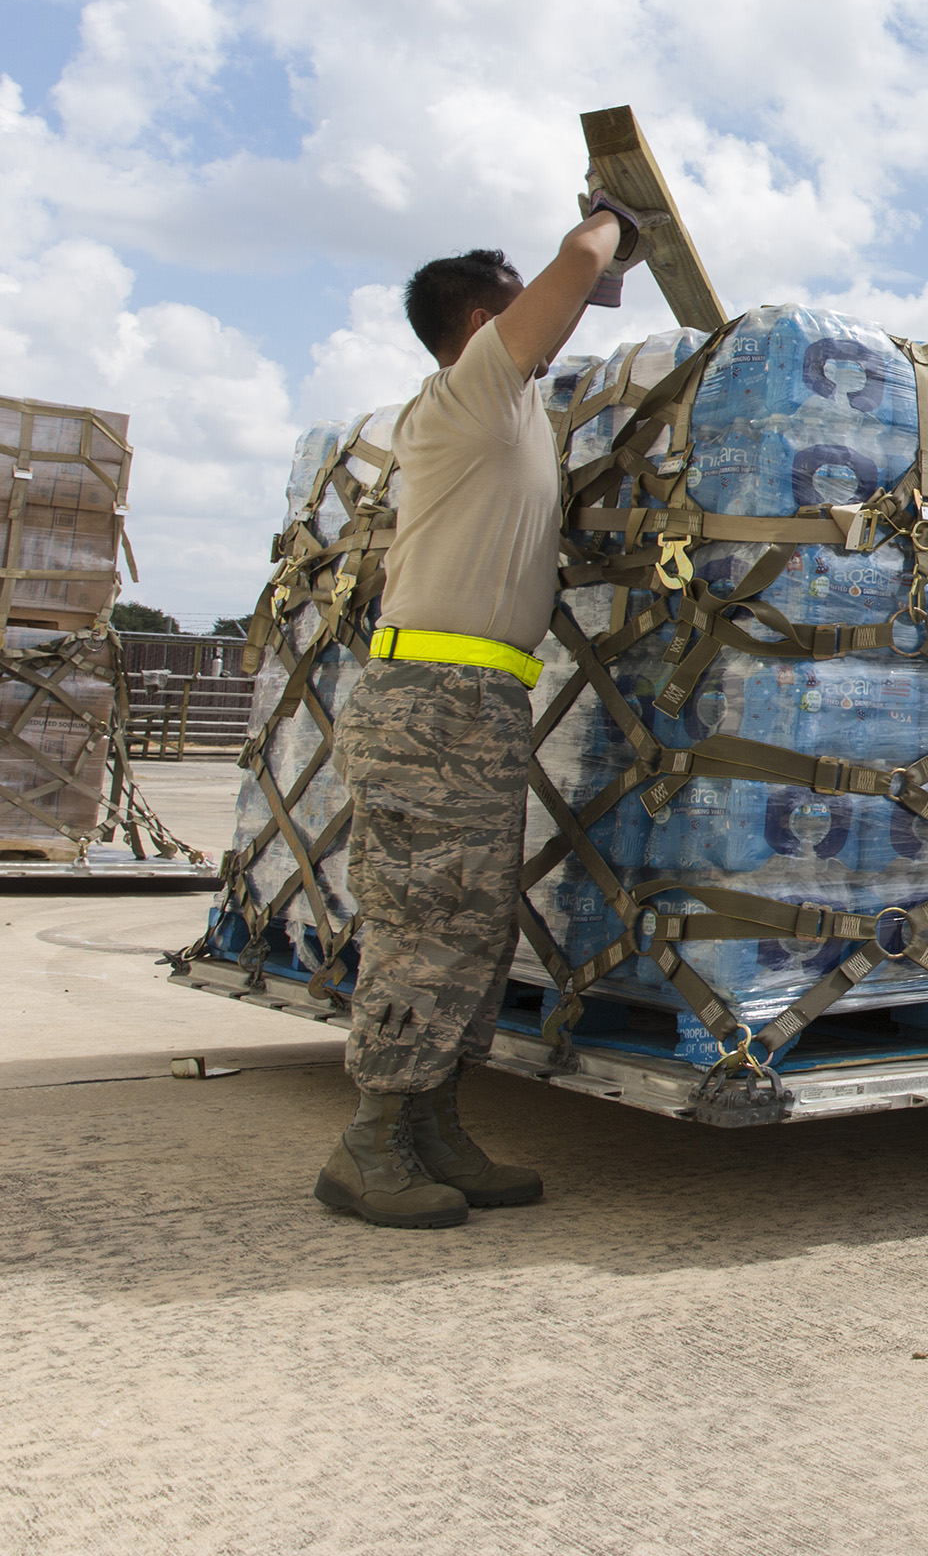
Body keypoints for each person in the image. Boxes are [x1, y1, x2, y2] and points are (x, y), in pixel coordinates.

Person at [313, 195, 642, 1229]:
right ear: (479, 324)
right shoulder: (473, 388)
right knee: (424, 923)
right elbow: (577, 261)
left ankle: (433, 1124)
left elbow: (575, 296)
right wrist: (615, 219)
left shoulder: (513, 411)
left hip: (477, 698)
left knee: (473, 925)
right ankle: (369, 1142)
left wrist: (600, 281)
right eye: (519, 306)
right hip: (433, 703)